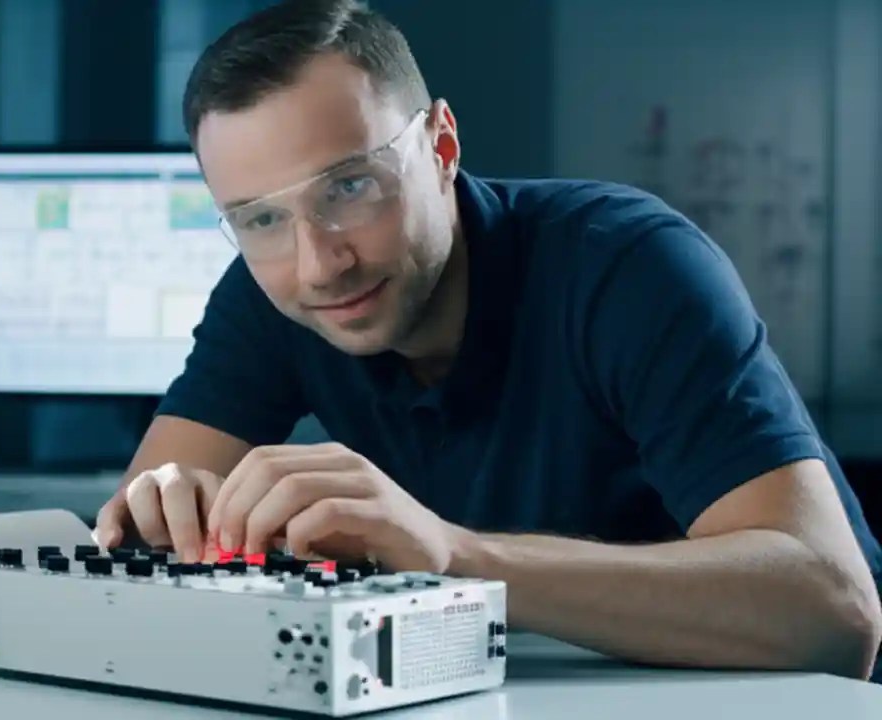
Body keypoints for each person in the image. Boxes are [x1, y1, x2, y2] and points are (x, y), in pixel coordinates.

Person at [94, 0, 882, 680]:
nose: (318, 264)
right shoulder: (273, 297)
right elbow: (140, 527)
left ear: (441, 147)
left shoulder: (629, 266)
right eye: (260, 219)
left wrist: (451, 556)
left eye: (351, 186)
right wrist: (173, 518)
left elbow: (834, 614)